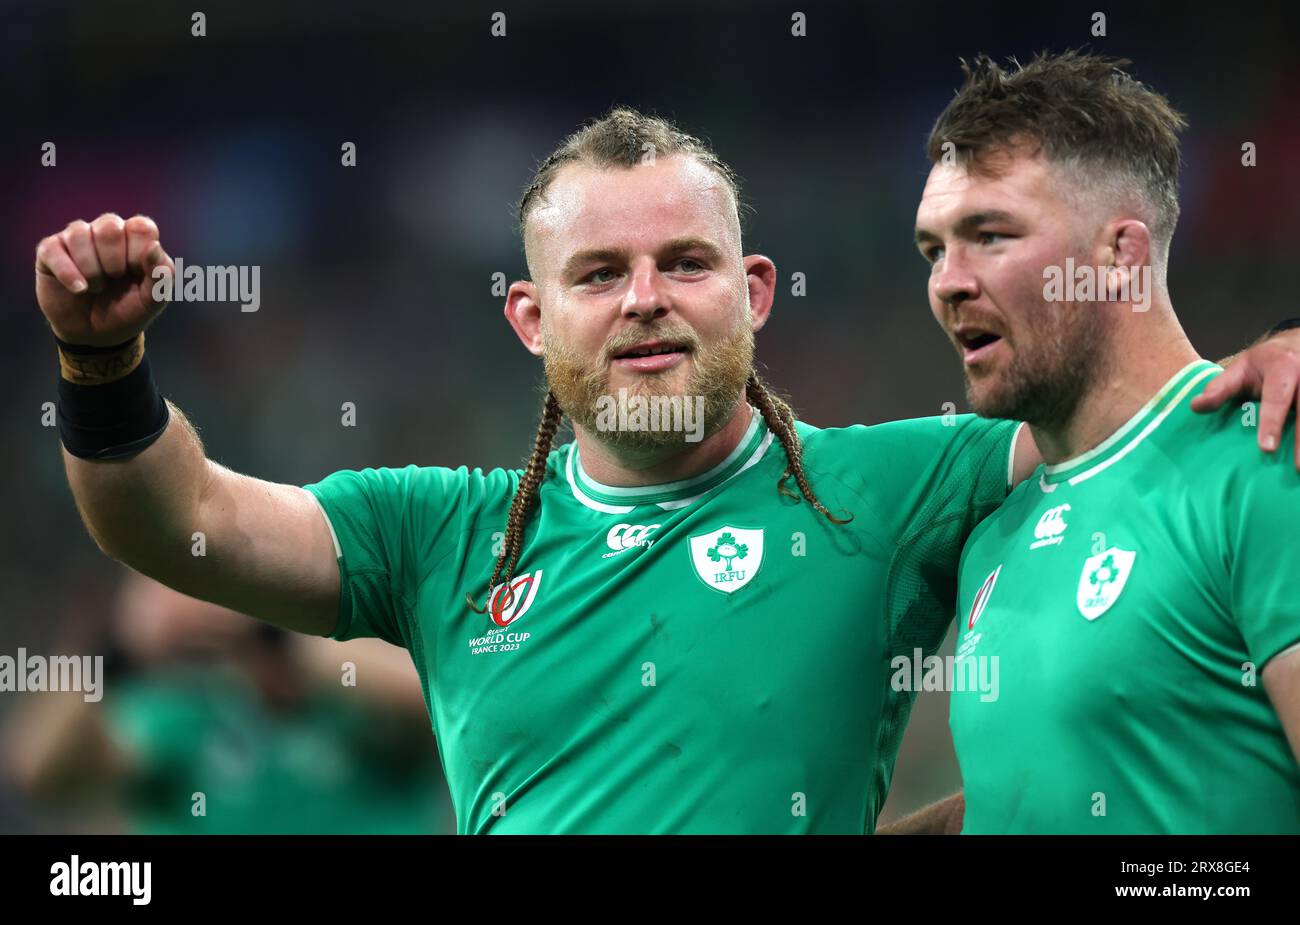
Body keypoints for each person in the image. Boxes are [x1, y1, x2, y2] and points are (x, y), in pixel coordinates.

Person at [34, 107, 1300, 834]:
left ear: (752, 293)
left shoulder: (895, 486)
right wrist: (103, 364)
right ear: (531, 319)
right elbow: (174, 515)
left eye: (685, 263)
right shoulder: (436, 533)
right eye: (598, 274)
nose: (646, 301)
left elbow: (1126, 408)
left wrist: (1273, 348)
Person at [909, 51, 1300, 833]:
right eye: (933, 248)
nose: (948, 280)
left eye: (989, 235)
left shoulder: (1266, 459)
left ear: (1119, 256)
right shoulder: (995, 534)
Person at [3, 572, 451, 834]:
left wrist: (273, 630)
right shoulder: (179, 715)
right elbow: (41, 766)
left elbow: (438, 693)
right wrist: (114, 651)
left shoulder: (361, 688)